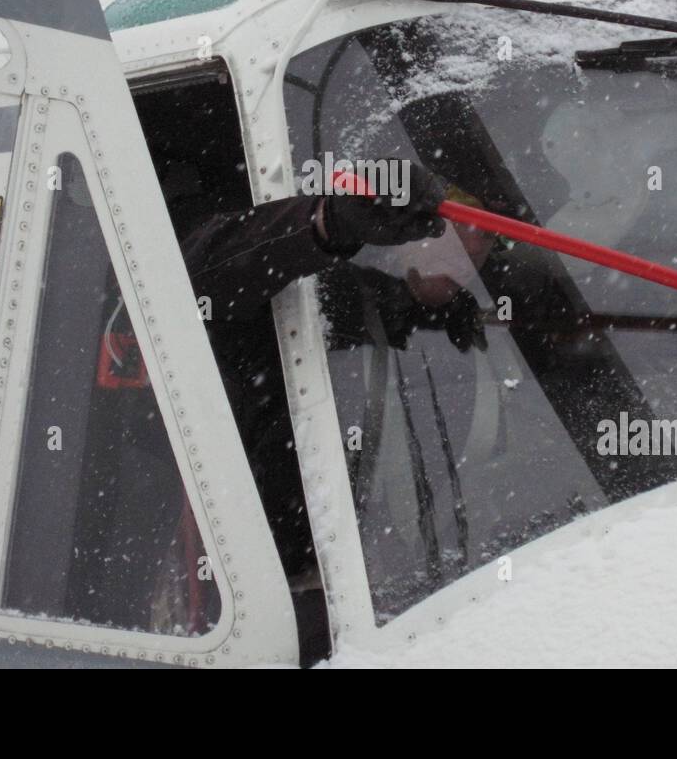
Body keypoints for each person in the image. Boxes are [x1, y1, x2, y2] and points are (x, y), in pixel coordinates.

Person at [176, 162, 488, 590]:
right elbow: (192, 281)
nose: (473, 246)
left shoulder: (470, 323)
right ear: (404, 226)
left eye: (490, 234)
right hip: (271, 587)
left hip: (430, 581)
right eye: (453, 224)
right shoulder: (305, 297)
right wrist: (324, 223)